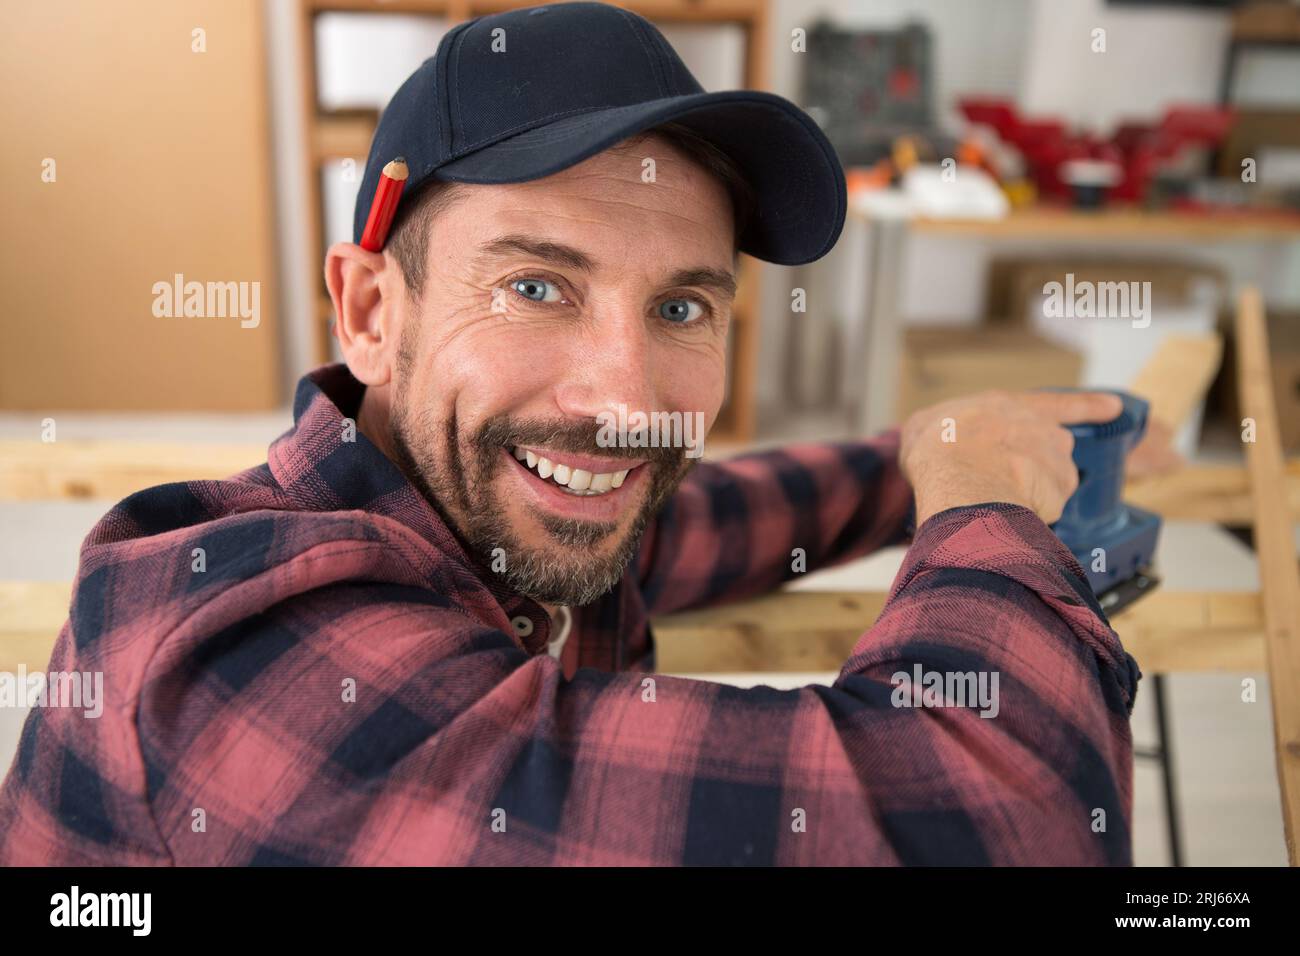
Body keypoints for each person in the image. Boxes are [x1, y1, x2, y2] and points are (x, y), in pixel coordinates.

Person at [0, 1, 1137, 865]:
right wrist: (981, 513)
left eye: (681, 307)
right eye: (538, 287)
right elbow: (1011, 813)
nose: (621, 395)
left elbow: (705, 524)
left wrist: (930, 455)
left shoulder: (501, 505)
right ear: (369, 311)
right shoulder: (232, 652)